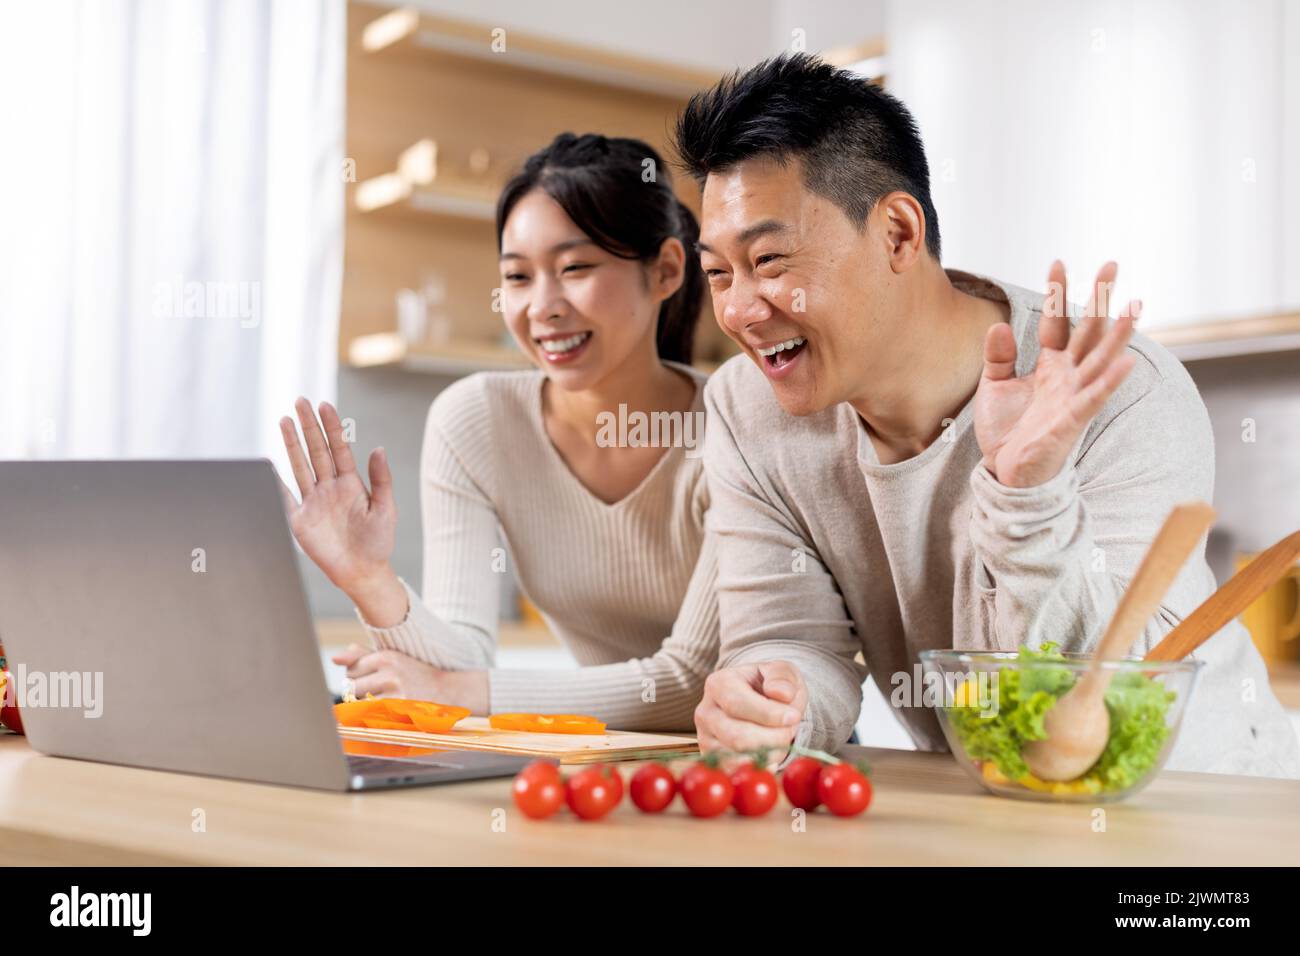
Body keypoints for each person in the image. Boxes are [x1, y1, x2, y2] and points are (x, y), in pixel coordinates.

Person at [676, 53, 1300, 776]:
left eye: (771, 261)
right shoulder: (745, 410)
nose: (737, 311)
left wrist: (1028, 497)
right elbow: (794, 639)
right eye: (718, 273)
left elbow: (1094, 696)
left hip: (1209, 801)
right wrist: (775, 695)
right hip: (1000, 802)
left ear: (899, 234)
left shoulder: (1116, 389)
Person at [278, 133, 718, 730]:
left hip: (772, 763)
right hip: (622, 756)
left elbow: (694, 683)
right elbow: (464, 655)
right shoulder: (476, 420)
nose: (543, 306)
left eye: (576, 268)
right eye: (517, 277)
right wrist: (368, 578)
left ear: (666, 270)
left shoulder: (731, 430)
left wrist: (461, 691)